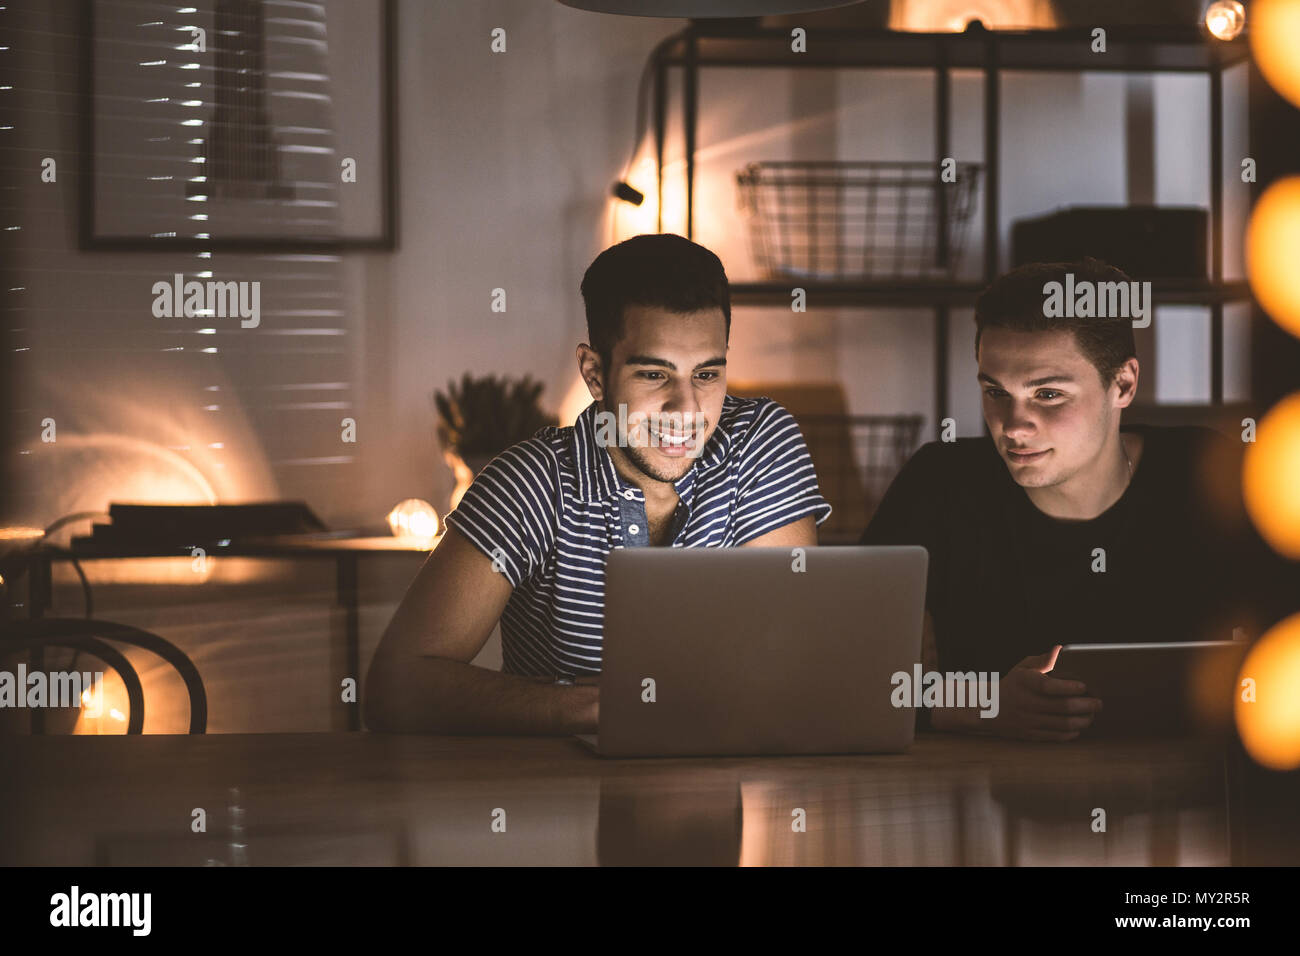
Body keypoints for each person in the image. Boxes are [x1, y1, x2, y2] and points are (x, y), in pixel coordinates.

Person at [365, 233, 831, 734]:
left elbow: (793, 657)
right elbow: (394, 689)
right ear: (594, 373)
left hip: (729, 787)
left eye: (706, 375)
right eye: (654, 375)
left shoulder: (759, 441)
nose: (688, 411)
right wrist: (585, 710)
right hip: (567, 799)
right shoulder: (530, 483)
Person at [861, 258, 1283, 741]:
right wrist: (979, 703)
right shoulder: (940, 483)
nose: (1014, 425)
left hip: (1200, 790)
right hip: (982, 789)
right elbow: (846, 672)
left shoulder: (1212, 477)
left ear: (1122, 384)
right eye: (996, 392)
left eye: (1048, 395)